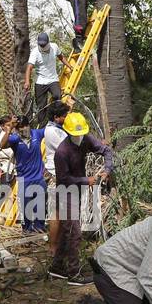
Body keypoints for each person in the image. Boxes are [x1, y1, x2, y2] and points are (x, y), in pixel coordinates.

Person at [50, 111, 114, 284]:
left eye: (81, 134)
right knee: (75, 233)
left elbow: (106, 151)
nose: (79, 137)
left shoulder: (86, 138)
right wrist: (87, 180)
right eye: (75, 135)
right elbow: (63, 179)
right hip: (66, 193)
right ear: (68, 132)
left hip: (78, 191)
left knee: (66, 230)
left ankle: (56, 267)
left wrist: (107, 170)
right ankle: (73, 274)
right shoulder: (62, 152)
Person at [0, 115, 48, 233]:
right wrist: (9, 129)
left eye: (25, 127)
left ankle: (39, 226)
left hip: (38, 178)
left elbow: (51, 128)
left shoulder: (37, 134)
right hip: (24, 179)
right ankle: (27, 229)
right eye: (20, 128)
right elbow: (2, 145)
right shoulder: (15, 139)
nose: (23, 130)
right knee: (26, 208)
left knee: (40, 205)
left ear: (29, 126)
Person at [42, 102, 70, 258]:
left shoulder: (59, 129)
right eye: (64, 116)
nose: (66, 118)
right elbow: (66, 148)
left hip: (63, 175)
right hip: (56, 176)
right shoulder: (52, 131)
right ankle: (53, 246)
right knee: (56, 214)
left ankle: (60, 245)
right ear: (56, 117)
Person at [24, 32, 63, 123]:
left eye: (44, 45)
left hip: (53, 79)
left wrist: (70, 66)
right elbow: (29, 67)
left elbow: (61, 57)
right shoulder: (35, 52)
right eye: (41, 45)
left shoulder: (54, 47)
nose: (42, 46)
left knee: (58, 96)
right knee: (41, 107)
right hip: (40, 82)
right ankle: (42, 125)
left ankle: (56, 119)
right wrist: (27, 82)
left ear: (48, 42)